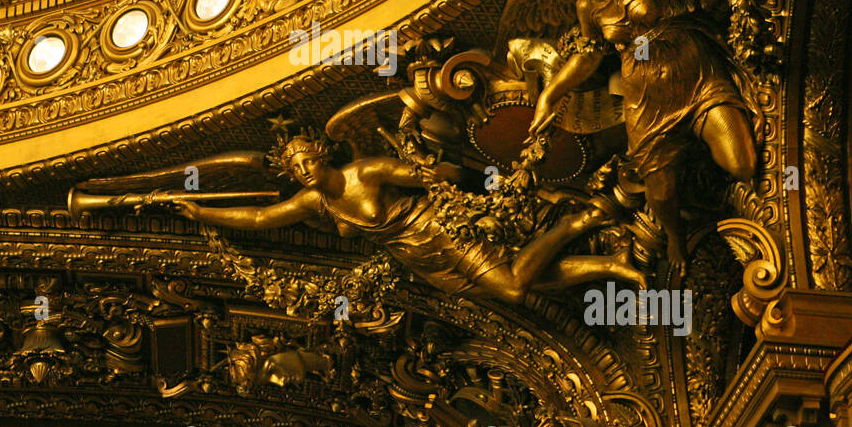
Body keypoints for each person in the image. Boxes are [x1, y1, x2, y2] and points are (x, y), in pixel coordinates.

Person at [527, 0, 758, 268]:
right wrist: (552, 92)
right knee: (662, 192)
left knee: (742, 164)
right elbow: (589, 54)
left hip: (695, 74)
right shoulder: (588, 8)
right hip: (645, 97)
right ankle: (674, 238)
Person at [172, 133, 645, 304]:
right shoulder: (312, 203)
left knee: (513, 288)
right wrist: (202, 212)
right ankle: (609, 266)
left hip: (444, 231)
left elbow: (435, 176)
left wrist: (430, 163)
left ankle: (576, 225)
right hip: (420, 260)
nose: (302, 172)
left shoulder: (368, 171)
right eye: (293, 169)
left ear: (321, 154)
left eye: (306, 161)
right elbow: (259, 218)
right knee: (525, 280)